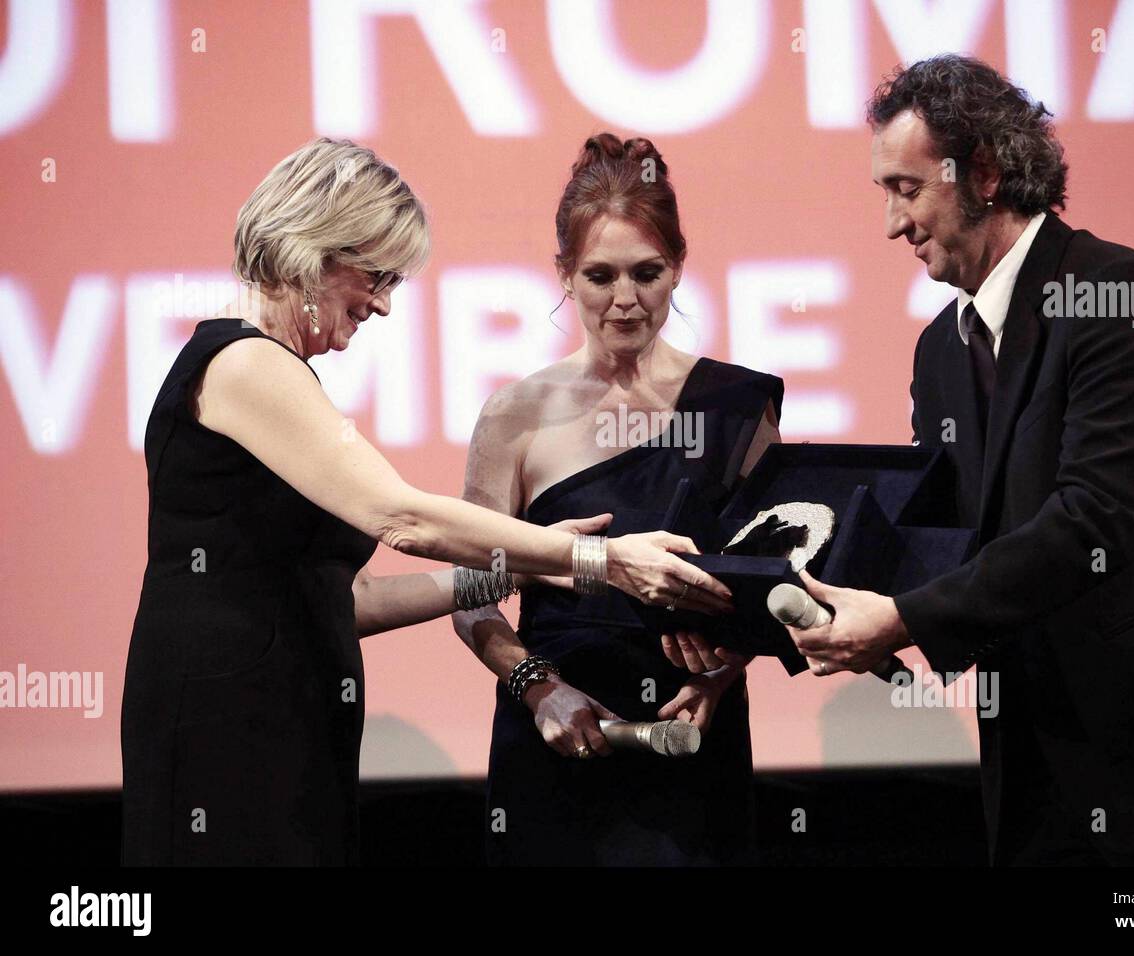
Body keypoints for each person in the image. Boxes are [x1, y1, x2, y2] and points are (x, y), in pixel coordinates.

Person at [120, 137, 731, 866]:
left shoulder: (271, 369)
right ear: (314, 247)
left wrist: (514, 573)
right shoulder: (247, 361)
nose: (381, 302)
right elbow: (402, 517)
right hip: (228, 720)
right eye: (375, 274)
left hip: (285, 714)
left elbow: (355, 600)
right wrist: (599, 559)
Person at [781, 55, 1134, 865]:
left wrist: (904, 619)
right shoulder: (939, 352)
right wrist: (779, 599)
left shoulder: (1113, 293)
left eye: (907, 189)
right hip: (1046, 771)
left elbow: (1094, 517)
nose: (892, 225)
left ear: (982, 173)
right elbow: (942, 535)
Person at [452, 133, 783, 865]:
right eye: (600, 275)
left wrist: (726, 672)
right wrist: (537, 688)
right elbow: (471, 593)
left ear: (679, 269)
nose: (625, 301)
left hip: (692, 734)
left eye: (647, 273)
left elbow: (774, 580)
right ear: (564, 275)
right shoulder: (516, 414)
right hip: (555, 734)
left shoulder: (736, 404)